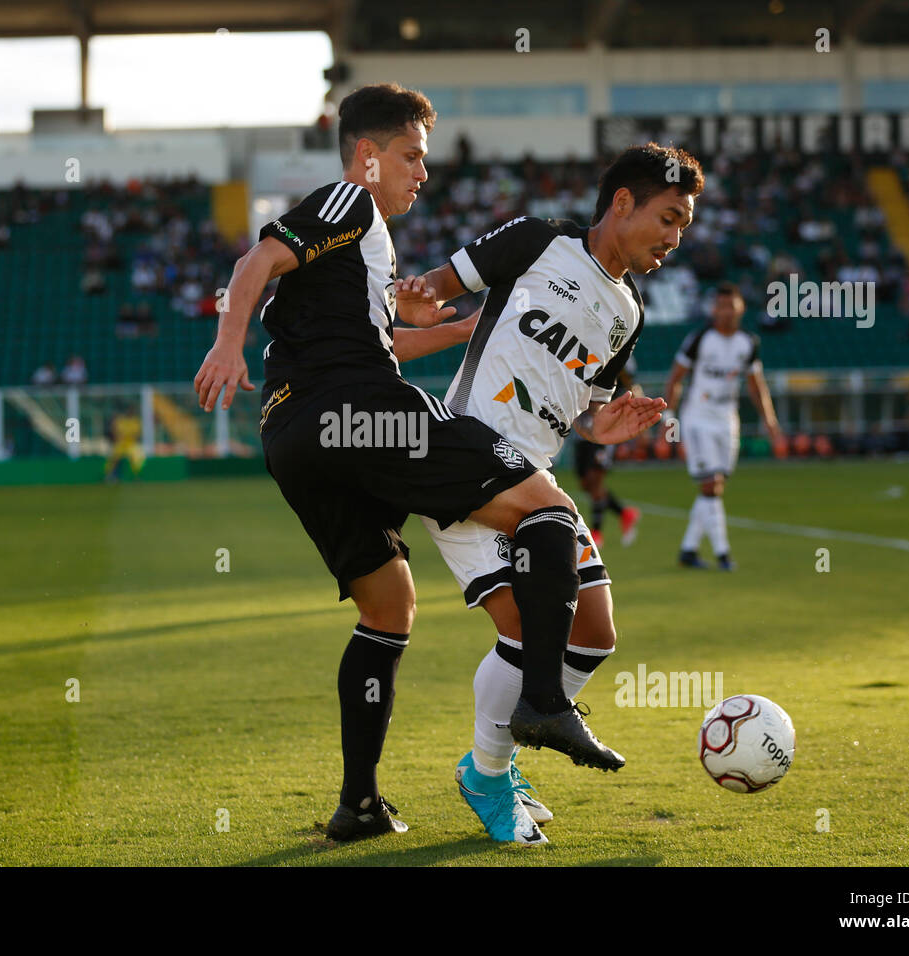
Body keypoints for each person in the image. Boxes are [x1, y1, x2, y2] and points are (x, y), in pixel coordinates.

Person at [194, 83, 662, 842]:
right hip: (357, 409)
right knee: (545, 509)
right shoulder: (353, 204)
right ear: (368, 156)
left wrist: (462, 328)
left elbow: (385, 340)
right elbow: (256, 260)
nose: (421, 172)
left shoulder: (366, 254)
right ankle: (542, 703)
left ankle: (359, 806)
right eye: (411, 156)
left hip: (293, 438)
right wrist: (225, 341)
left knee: (388, 609)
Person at [404, 143, 702, 843]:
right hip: (466, 460)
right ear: (622, 203)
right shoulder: (538, 240)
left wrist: (608, 430)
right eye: (668, 218)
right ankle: (487, 772)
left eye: (684, 227)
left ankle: (496, 757)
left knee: (593, 636)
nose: (673, 239)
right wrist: (406, 303)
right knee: (527, 630)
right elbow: (433, 290)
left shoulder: (627, 312)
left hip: (538, 477)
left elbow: (582, 415)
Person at [664, 282, 782, 570]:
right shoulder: (700, 338)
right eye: (719, 305)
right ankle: (723, 554)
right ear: (713, 309)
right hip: (697, 419)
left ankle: (688, 551)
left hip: (727, 420)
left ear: (741, 308)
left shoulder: (748, 343)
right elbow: (675, 380)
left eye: (730, 305)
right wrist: (668, 423)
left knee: (713, 488)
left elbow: (757, 386)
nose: (724, 311)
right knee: (711, 484)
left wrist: (770, 421)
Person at [573, 354, 642, 550]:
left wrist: (635, 424)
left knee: (595, 479)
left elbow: (631, 385)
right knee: (585, 482)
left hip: (607, 420)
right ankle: (624, 513)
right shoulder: (585, 346)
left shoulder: (624, 354)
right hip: (583, 418)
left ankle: (596, 533)